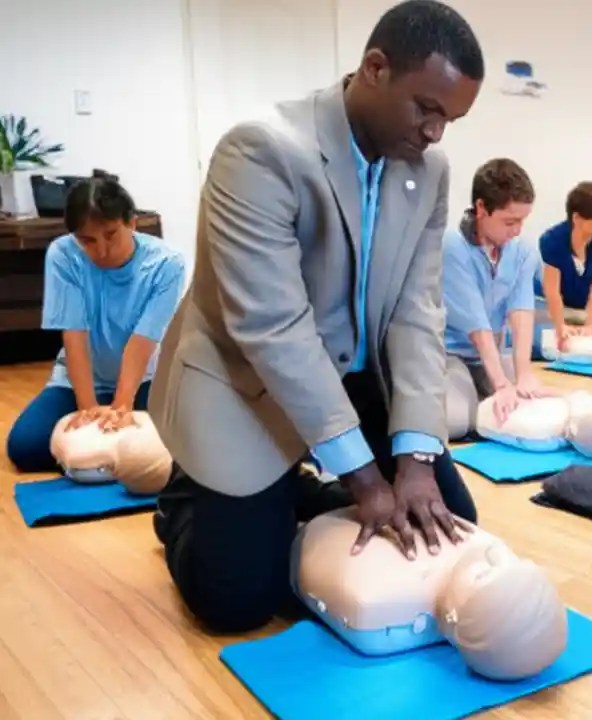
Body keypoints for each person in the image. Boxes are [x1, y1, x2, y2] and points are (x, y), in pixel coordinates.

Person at [147, 0, 485, 634]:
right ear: (375, 68)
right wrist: (362, 477)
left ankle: (292, 487)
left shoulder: (428, 170)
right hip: (247, 381)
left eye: (452, 119)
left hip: (354, 377)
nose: (436, 133)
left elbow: (417, 312)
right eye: (427, 108)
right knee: (239, 603)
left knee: (446, 528)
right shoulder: (260, 149)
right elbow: (274, 331)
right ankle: (186, 494)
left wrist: (413, 458)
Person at [5, 178, 184, 473]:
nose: (101, 250)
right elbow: (75, 336)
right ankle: (112, 458)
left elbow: (142, 342)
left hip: (145, 380)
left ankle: (103, 459)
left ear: (132, 223)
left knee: (187, 442)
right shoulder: (63, 255)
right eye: (87, 240)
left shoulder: (167, 264)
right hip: (79, 379)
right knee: (25, 446)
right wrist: (87, 409)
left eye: (111, 235)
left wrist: (122, 406)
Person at [442, 158, 546, 437]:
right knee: (454, 422)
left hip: (491, 353)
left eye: (522, 221)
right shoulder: (453, 247)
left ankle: (481, 399)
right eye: (509, 221)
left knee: (527, 404)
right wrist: (501, 384)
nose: (517, 230)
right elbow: (477, 326)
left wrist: (523, 373)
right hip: (450, 353)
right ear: (481, 209)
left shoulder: (522, 250)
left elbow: (522, 311)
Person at [535, 181, 592, 349]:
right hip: (543, 305)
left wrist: (590, 326)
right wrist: (560, 326)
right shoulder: (552, 241)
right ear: (577, 218)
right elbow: (552, 292)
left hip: (575, 310)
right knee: (550, 339)